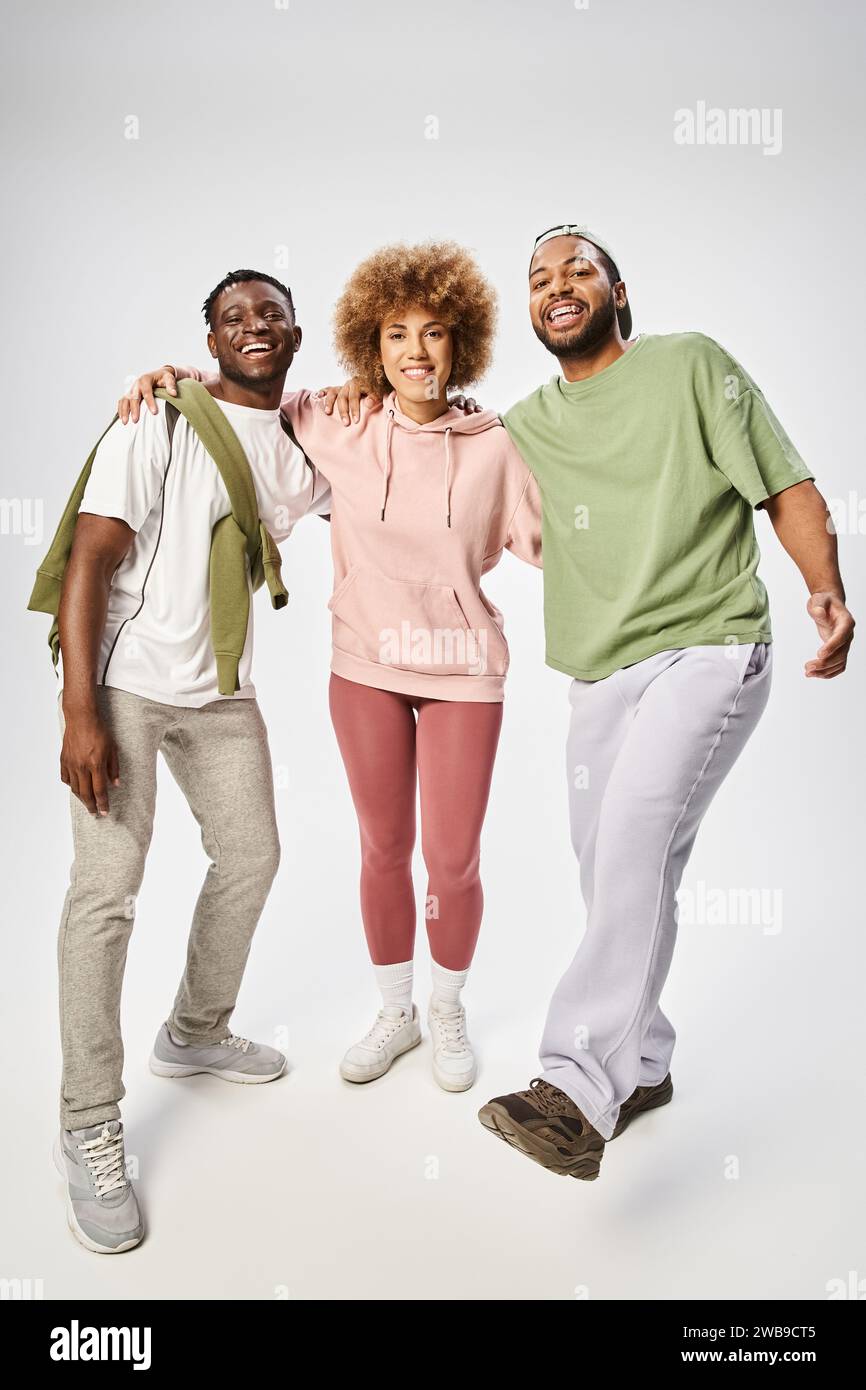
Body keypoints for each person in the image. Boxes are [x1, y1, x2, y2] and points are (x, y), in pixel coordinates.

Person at [324, 224, 854, 1182]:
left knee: (635, 845)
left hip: (709, 643)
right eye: (539, 277)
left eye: (579, 269)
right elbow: (442, 439)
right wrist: (373, 387)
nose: (557, 284)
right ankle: (643, 1061)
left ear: (617, 291)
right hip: (600, 672)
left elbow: (785, 481)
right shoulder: (522, 425)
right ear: (527, 313)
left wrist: (824, 585)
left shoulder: (692, 364)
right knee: (611, 866)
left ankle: (573, 1088)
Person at [118, 242, 543, 1094]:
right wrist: (170, 376)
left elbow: (561, 547)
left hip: (463, 671)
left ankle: (447, 1008)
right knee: (383, 848)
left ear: (462, 345)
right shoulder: (335, 420)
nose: (416, 352)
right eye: (395, 336)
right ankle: (395, 1011)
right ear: (370, 349)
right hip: (365, 669)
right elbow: (242, 398)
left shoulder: (501, 445)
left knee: (451, 859)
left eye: (433, 334)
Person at [30, 270, 331, 1251]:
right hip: (124, 686)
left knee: (250, 855)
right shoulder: (156, 418)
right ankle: (87, 1122)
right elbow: (89, 556)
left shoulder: (295, 446)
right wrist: (81, 711)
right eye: (233, 314)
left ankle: (195, 1030)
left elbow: (378, 474)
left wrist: (402, 402)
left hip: (220, 692)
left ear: (293, 334)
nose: (254, 325)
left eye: (270, 314)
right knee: (106, 888)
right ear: (209, 335)